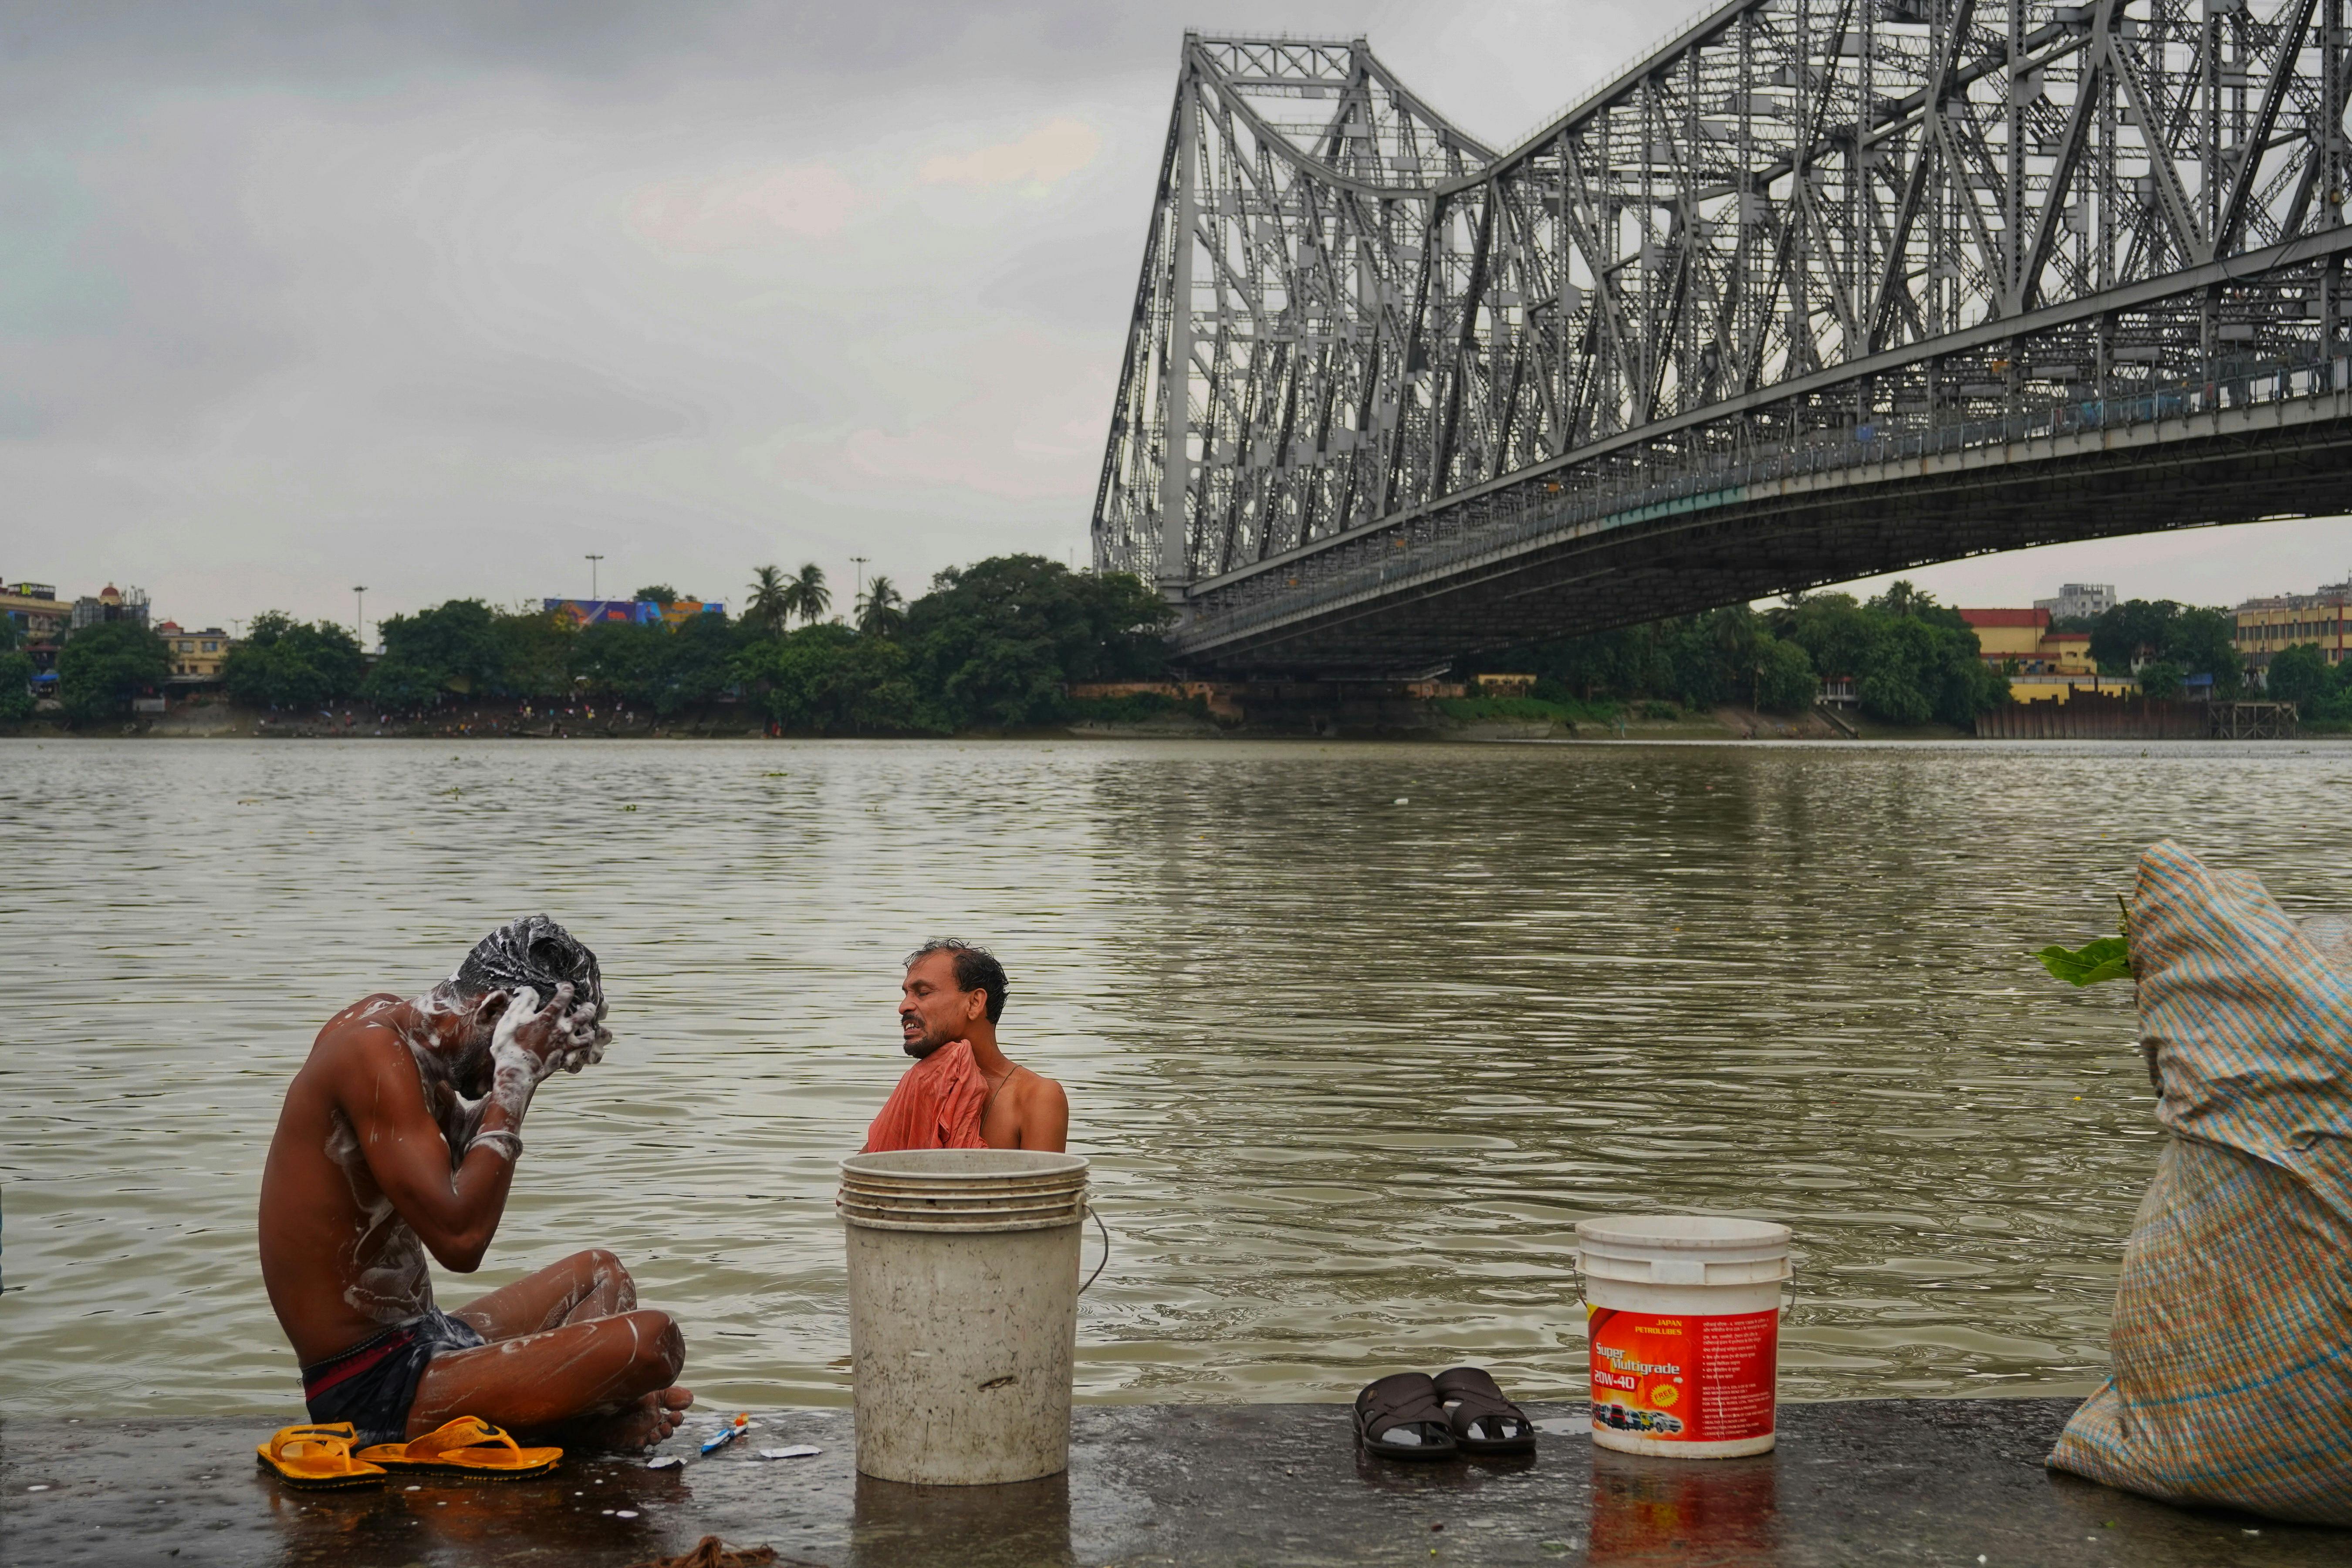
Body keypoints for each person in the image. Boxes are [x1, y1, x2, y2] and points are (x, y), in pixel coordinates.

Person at [257, 916, 693, 1450]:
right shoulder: (372, 1056)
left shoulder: (398, 1028)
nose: (501, 1076)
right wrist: (515, 1079)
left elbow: (439, 1161)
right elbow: (461, 1241)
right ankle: (585, 1420)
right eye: (513, 1052)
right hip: (371, 1389)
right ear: (490, 1012)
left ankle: (582, 1412)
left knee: (602, 1273)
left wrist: (522, 1073)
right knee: (652, 1344)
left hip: (426, 1338)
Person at [864, 939, 1068, 1153]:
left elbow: (1043, 1188)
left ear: (974, 1003)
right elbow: (859, 1182)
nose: (904, 1007)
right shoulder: (918, 1088)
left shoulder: (1036, 1097)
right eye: (906, 994)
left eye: (923, 993)